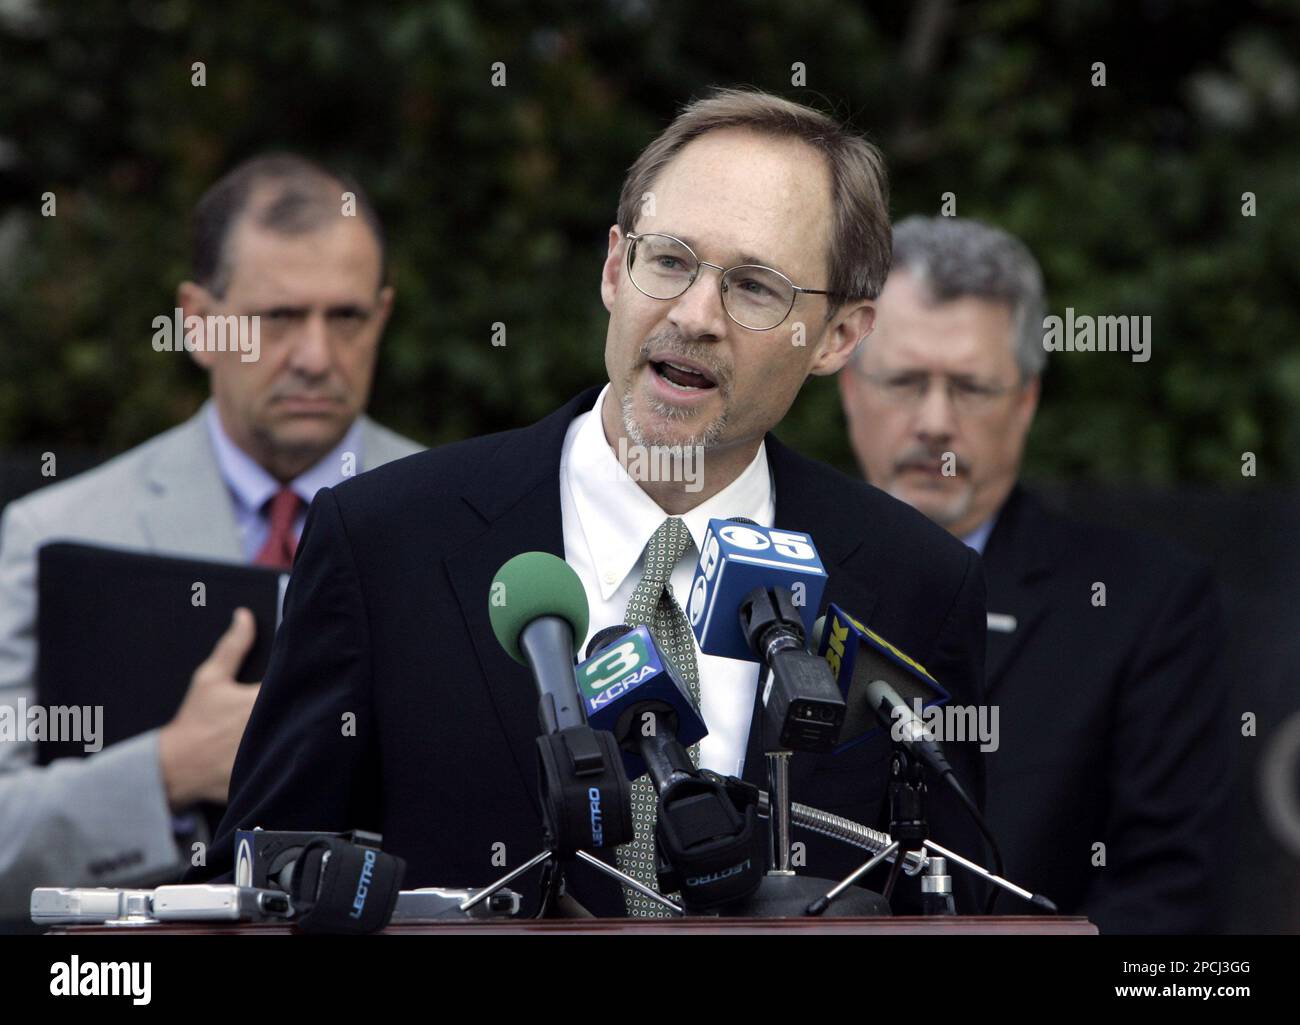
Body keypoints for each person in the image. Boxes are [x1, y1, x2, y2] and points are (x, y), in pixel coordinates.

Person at [201, 91, 990, 917]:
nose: (693, 315)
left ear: (839, 336)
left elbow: (963, 908)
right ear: (615, 268)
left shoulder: (917, 584)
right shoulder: (385, 539)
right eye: (670, 260)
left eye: (755, 287)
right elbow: (256, 886)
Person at [0, 153, 422, 922]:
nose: (316, 357)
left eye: (347, 317)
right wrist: (164, 770)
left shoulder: (456, 516)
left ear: (382, 317)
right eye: (279, 318)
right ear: (197, 322)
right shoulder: (54, 532)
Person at [838, 214, 1230, 932]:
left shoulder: (1145, 603)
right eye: (902, 379)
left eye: (971, 388)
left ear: (1026, 402)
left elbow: (1172, 891)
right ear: (849, 387)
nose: (933, 422)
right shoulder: (771, 571)